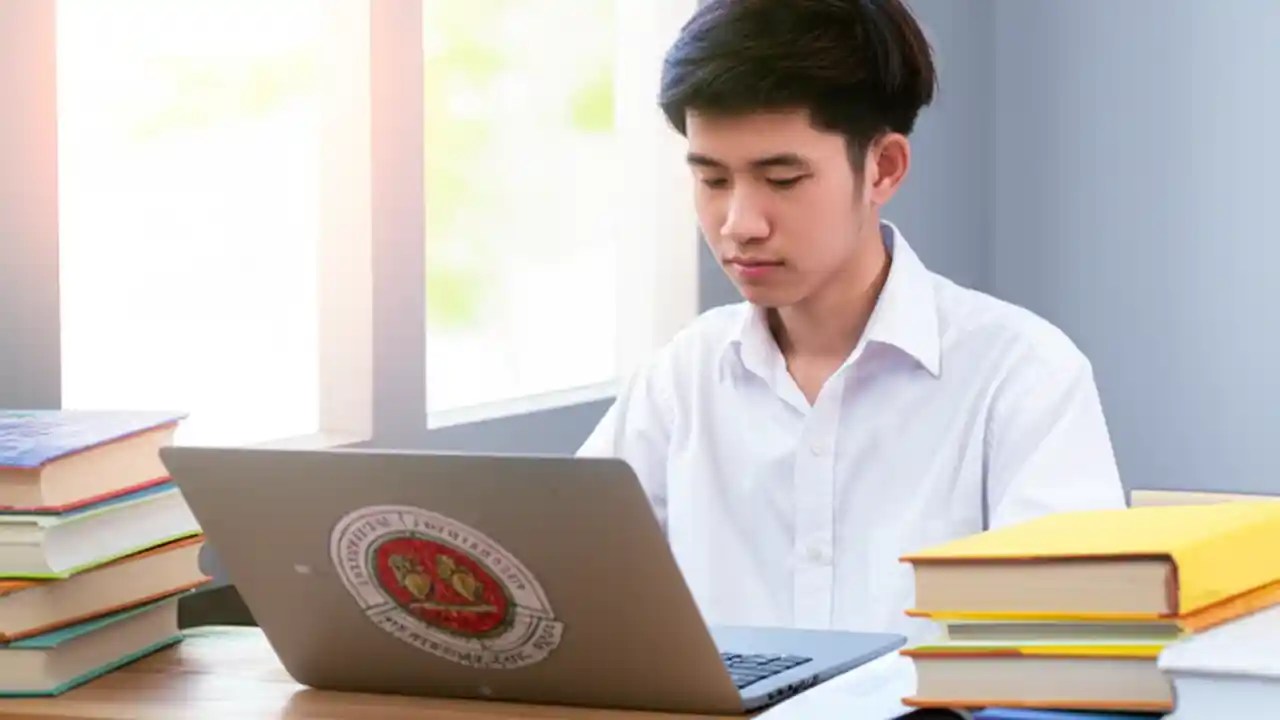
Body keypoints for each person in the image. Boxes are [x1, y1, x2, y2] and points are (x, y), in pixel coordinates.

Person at [578, 0, 1126, 642]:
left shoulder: (1022, 377)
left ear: (883, 168)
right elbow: (566, 592)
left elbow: (1064, 656)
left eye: (782, 179)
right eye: (713, 180)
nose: (739, 224)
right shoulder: (680, 380)